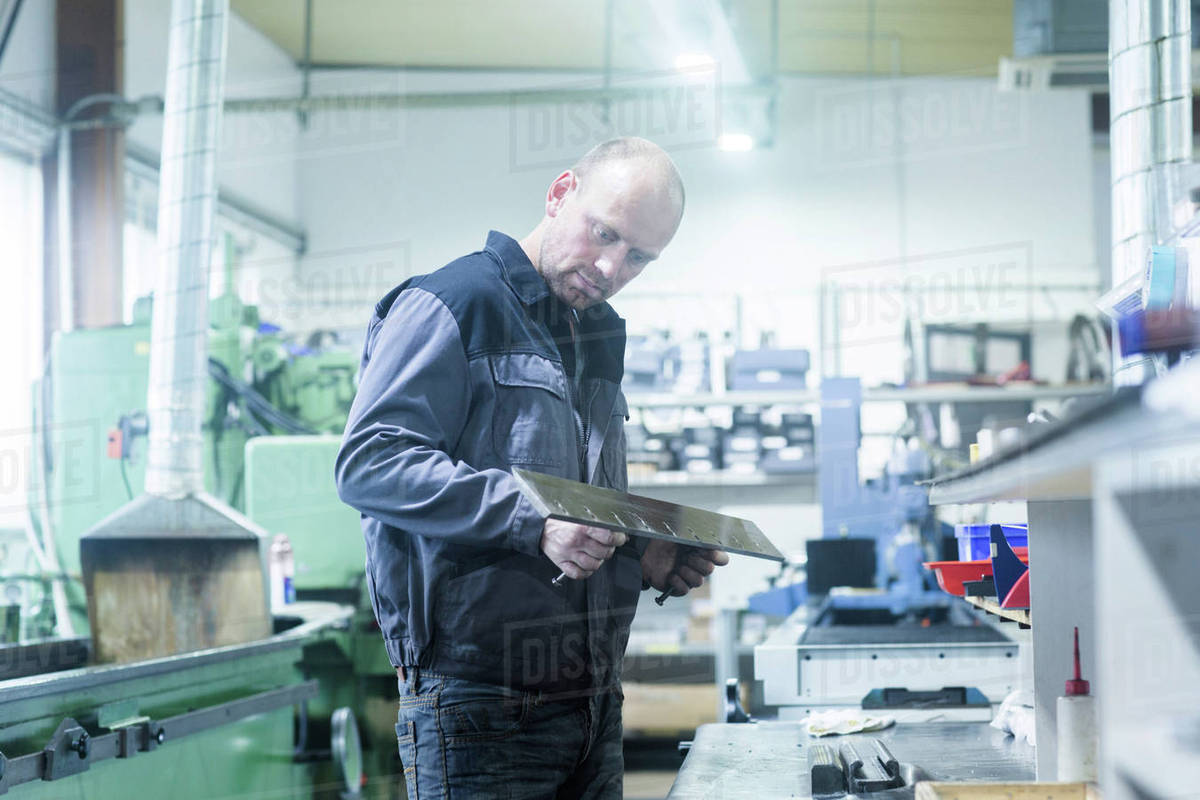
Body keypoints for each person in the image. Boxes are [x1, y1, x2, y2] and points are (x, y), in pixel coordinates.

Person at [335, 137, 729, 799]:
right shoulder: (455, 304)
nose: (610, 267)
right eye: (604, 233)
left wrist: (640, 553)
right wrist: (534, 517)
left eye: (639, 257)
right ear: (559, 193)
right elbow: (371, 462)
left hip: (593, 700)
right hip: (479, 706)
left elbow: (582, 507)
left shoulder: (594, 333)